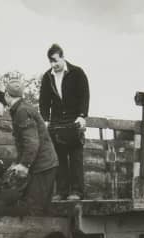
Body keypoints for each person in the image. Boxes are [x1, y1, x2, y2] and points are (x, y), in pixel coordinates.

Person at [38, 43, 90, 201]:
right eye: (51, 62)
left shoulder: (77, 72)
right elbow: (44, 100)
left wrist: (82, 116)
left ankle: (76, 191)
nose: (54, 65)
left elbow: (84, 95)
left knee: (75, 156)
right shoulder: (48, 77)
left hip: (74, 120)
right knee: (59, 157)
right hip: (57, 122)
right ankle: (61, 191)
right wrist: (46, 119)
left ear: (63, 57)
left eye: (56, 60)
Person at [4, 79, 59, 215]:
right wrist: (17, 162)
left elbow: (32, 142)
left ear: (6, 95)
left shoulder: (22, 111)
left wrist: (24, 165)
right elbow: (25, 143)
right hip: (43, 165)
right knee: (40, 208)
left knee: (33, 208)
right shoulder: (22, 108)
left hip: (43, 166)